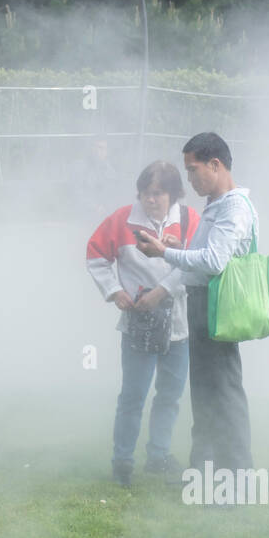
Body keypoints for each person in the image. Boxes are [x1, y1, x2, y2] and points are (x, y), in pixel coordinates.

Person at [134, 132, 256, 501]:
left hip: (218, 310)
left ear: (215, 165)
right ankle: (203, 476)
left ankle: (236, 485)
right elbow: (203, 256)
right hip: (203, 308)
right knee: (204, 396)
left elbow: (214, 262)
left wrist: (164, 254)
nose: (189, 180)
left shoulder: (233, 208)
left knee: (224, 397)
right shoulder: (217, 204)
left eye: (193, 170)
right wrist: (179, 248)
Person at [86, 160, 200, 487]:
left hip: (179, 323)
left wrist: (163, 292)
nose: (149, 200)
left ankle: (159, 456)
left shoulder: (191, 220)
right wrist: (115, 291)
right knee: (133, 395)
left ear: (174, 194)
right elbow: (95, 256)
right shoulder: (122, 220)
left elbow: (194, 262)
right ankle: (122, 461)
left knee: (169, 395)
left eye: (157, 194)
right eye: (145, 193)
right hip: (138, 320)